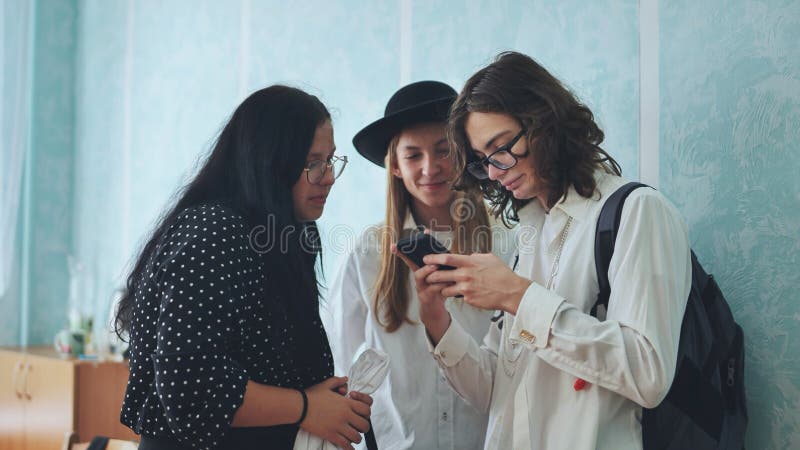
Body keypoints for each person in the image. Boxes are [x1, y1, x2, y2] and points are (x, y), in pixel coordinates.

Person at [397, 52, 692, 449]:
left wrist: (518, 296)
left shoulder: (638, 212)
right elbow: (494, 392)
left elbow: (647, 373)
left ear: (545, 120)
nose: (496, 172)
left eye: (501, 147)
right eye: (484, 162)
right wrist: (438, 323)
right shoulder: (531, 234)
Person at [115, 85, 373, 450]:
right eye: (312, 163)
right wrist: (305, 406)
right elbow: (190, 387)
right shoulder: (214, 233)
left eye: (330, 160)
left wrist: (321, 398)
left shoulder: (287, 231)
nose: (327, 176)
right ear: (269, 163)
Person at [323, 81, 512, 450]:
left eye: (444, 151)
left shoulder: (507, 244)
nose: (431, 168)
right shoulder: (367, 254)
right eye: (413, 156)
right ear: (394, 166)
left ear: (465, 155)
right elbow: (340, 365)